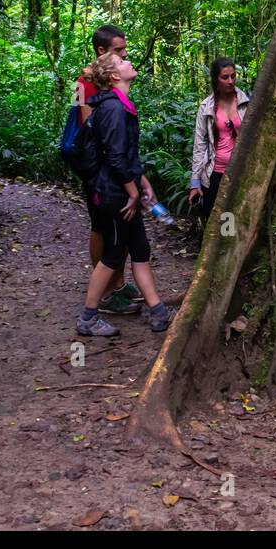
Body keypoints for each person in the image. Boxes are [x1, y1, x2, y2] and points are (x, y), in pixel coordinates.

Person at [77, 52, 178, 337]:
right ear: (114, 76)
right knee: (113, 253)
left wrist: (143, 183)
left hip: (122, 190)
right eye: (122, 62)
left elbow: (126, 156)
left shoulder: (120, 105)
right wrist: (133, 193)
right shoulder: (113, 109)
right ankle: (88, 317)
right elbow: (116, 158)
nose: (128, 61)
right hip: (114, 196)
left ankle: (158, 312)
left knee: (141, 250)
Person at [74, 25, 141, 316]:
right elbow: (89, 127)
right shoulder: (83, 83)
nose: (124, 54)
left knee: (120, 229)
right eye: (118, 51)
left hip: (114, 169)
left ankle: (118, 283)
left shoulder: (111, 85)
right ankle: (106, 292)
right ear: (102, 52)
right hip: (101, 173)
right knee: (101, 227)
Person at [188, 56, 251, 227]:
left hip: (241, 172)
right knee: (217, 223)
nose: (230, 81)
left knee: (238, 220)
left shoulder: (246, 102)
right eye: (225, 77)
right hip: (215, 174)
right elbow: (199, 146)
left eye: (233, 76)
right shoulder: (206, 107)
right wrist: (195, 182)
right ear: (216, 79)